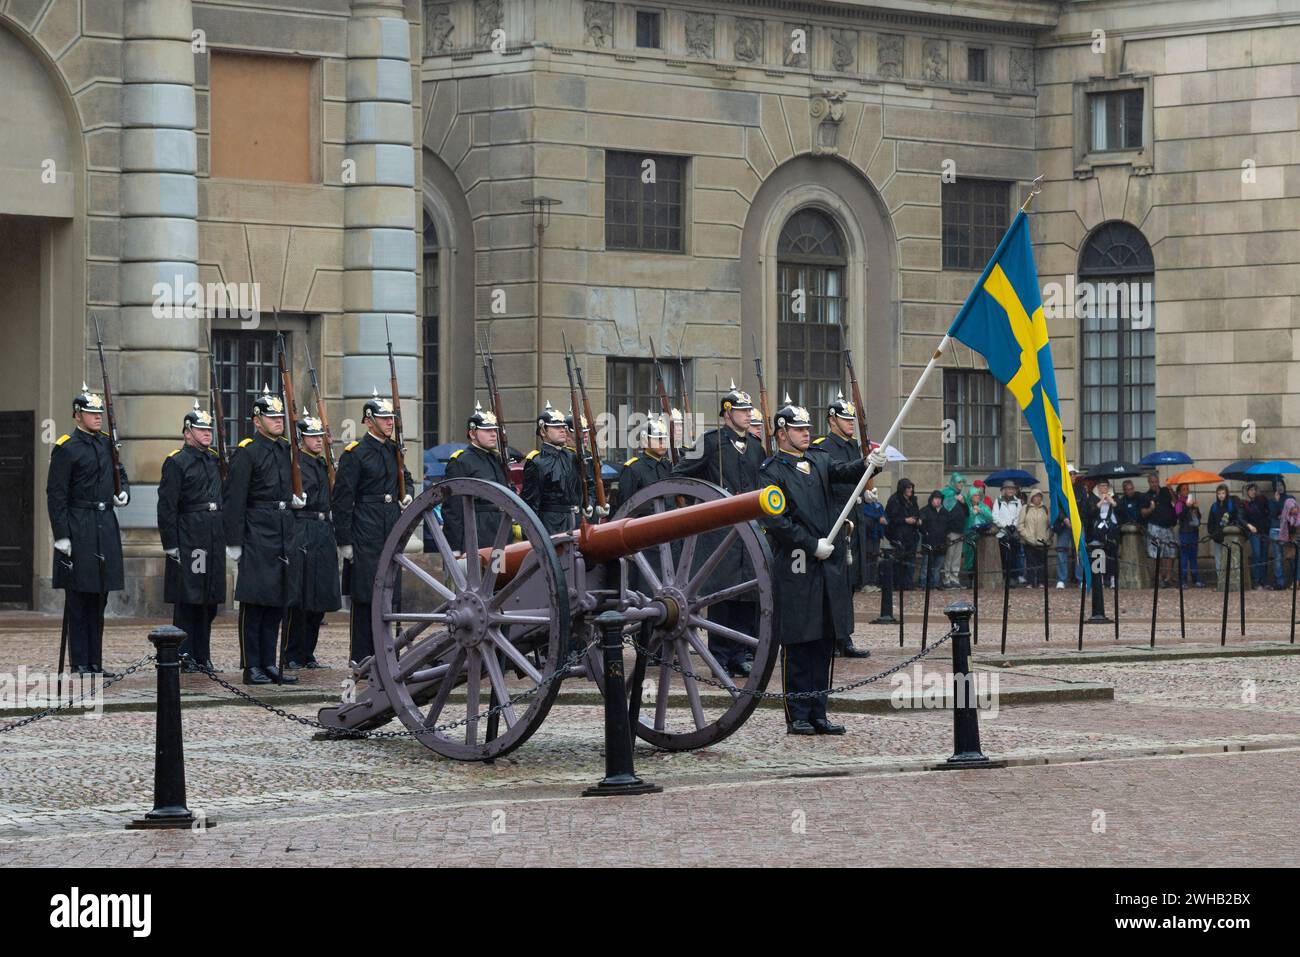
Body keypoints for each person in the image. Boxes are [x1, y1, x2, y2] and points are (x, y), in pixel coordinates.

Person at [758, 398, 885, 735]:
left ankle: (819, 711)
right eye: (798, 429)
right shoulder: (772, 471)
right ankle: (797, 713)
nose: (805, 434)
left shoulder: (819, 459)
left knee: (824, 641)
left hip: (827, 568)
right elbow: (777, 521)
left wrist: (868, 463)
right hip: (797, 566)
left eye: (807, 429)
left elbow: (845, 472)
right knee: (800, 641)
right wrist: (811, 543)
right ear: (782, 433)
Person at [673, 381, 764, 677]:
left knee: (747, 592)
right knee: (723, 594)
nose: (748, 414)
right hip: (721, 530)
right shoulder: (710, 442)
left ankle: (740, 653)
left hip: (748, 529)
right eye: (741, 410)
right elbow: (679, 475)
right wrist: (702, 502)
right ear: (727, 413)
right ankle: (721, 655)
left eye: (749, 410)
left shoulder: (755, 447)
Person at [47, 383, 130, 676]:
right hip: (79, 525)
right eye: (91, 413)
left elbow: (121, 474)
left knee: (99, 597)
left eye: (99, 413)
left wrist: (124, 494)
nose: (97, 417)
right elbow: (56, 496)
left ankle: (95, 661)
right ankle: (79, 661)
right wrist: (62, 536)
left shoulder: (107, 444)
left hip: (105, 525)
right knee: (79, 599)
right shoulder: (66, 447)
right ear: (77, 415)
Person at [223, 387, 303, 685]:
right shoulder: (247, 452)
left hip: (282, 527)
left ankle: (270, 662)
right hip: (257, 529)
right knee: (254, 602)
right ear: (258, 422)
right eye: (272, 417)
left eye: (280, 416)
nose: (278, 420)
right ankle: (251, 664)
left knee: (276, 601)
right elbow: (234, 499)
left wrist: (295, 497)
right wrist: (234, 540)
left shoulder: (285, 449)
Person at [332, 388, 413, 666]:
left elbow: (408, 479)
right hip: (365, 527)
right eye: (384, 418)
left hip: (390, 525)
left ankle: (388, 655)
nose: (390, 422)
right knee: (366, 595)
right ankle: (362, 656)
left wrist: (408, 494)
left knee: (391, 594)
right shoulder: (355, 454)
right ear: (369, 421)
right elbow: (342, 500)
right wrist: (344, 540)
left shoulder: (394, 451)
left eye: (391, 418)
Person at [157, 401, 225, 673]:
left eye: (209, 430)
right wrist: (170, 543)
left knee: (209, 600)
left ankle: (202, 654)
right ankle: (184, 653)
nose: (207, 434)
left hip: (212, 535)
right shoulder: (177, 462)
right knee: (190, 598)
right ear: (187, 433)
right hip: (191, 536)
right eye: (201, 430)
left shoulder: (214, 460)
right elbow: (166, 505)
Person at [808, 393, 873, 657]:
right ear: (832, 420)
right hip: (835, 515)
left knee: (850, 581)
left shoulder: (853, 445)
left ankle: (844, 635)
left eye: (852, 420)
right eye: (846, 419)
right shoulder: (823, 445)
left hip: (854, 517)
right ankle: (835, 637)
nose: (850, 424)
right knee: (834, 582)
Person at [284, 409, 341, 670]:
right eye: (312, 436)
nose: (318, 440)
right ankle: (292, 652)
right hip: (303, 527)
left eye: (320, 436)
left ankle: (308, 652)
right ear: (301, 438)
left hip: (323, 528)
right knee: (301, 597)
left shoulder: (323, 463)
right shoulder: (295, 463)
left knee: (319, 598)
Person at [443, 402, 512, 553]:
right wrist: (454, 546)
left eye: (494, 430)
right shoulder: (461, 461)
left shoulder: (496, 459)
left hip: (499, 531)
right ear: (472, 433)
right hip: (477, 533)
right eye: (487, 430)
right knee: (479, 574)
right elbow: (453, 508)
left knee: (499, 573)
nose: (493, 434)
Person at [523, 402, 587, 535]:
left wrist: (589, 504)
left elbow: (587, 484)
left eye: (563, 426)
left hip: (576, 520)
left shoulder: (572, 457)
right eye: (556, 427)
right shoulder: (537, 462)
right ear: (543, 431)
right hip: (551, 525)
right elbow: (531, 503)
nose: (563, 430)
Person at [1140, 470, 1178, 586]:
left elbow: (1176, 503)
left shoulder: (1165, 491)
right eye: (1152, 482)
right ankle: (1159, 578)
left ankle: (1168, 577)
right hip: (1155, 526)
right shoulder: (1146, 496)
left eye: (1156, 482)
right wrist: (1151, 509)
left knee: (1171, 552)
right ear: (1148, 483)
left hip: (1168, 526)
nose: (1154, 484)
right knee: (1157, 554)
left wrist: (1171, 490)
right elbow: (1143, 513)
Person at [885, 478, 919, 590]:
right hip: (899, 535)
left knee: (910, 562)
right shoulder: (894, 500)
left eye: (911, 487)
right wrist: (905, 520)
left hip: (911, 535)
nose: (911, 490)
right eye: (908, 488)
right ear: (903, 488)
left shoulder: (913, 500)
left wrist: (917, 520)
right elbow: (891, 518)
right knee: (899, 562)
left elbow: (916, 513)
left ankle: (908, 584)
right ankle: (898, 585)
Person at [1206, 484, 1243, 587]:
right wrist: (1212, 533)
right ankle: (1220, 581)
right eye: (1219, 493)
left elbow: (1236, 519)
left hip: (1228, 537)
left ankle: (1230, 580)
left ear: (1226, 494)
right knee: (1218, 559)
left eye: (1223, 493)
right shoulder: (1214, 506)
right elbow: (1210, 522)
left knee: (1229, 559)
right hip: (1217, 537)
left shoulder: (1230, 505)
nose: (1221, 495)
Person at [1086, 480, 1120, 587]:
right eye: (1101, 486)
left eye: (1106, 486)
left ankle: (1112, 578)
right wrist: (1100, 502)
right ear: (1098, 487)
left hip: (1111, 531)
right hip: (1097, 532)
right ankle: (1098, 579)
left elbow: (1120, 511)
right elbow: (1089, 513)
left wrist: (1112, 502)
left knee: (1111, 555)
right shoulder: (1092, 498)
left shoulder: (1115, 497)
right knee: (1098, 554)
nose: (1104, 488)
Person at [991, 481, 1025, 587]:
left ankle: (1013, 577)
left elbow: (1019, 515)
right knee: (1003, 556)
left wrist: (1013, 525)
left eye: (1012, 489)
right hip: (1002, 533)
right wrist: (1005, 525)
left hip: (1013, 532)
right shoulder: (998, 501)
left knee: (1014, 556)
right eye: (1008, 488)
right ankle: (1005, 577)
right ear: (1004, 490)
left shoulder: (1017, 501)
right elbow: (995, 516)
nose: (1010, 490)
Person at [1016, 488, 1051, 587]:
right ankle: (1030, 582)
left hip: (1042, 541)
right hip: (1029, 541)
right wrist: (1027, 536)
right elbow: (1020, 525)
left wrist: (1046, 537)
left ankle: (1041, 582)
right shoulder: (1025, 508)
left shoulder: (1045, 509)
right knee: (1030, 562)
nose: (1037, 499)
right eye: (1035, 496)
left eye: (1039, 496)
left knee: (1042, 563)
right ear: (1031, 497)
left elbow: (1049, 526)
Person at [1173, 483, 1204, 587]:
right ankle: (1183, 580)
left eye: (1187, 489)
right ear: (1179, 492)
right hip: (1185, 533)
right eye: (1184, 489)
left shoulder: (1191, 501)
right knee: (1184, 557)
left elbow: (1199, 517)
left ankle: (1196, 579)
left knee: (1193, 557)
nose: (1186, 491)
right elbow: (1179, 516)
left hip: (1193, 532)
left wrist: (1196, 508)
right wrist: (1187, 507)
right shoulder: (1179, 503)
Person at [917, 490, 948, 588]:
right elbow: (920, 525)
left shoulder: (944, 511)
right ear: (931, 499)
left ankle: (935, 583)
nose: (938, 501)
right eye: (936, 499)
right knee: (926, 565)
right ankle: (923, 583)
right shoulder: (925, 510)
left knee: (937, 567)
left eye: (939, 499)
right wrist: (926, 533)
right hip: (929, 542)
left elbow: (948, 524)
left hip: (941, 542)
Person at [1242, 483, 1270, 589]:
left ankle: (1264, 581)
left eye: (1254, 489)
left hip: (1264, 531)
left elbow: (1268, 512)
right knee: (1257, 555)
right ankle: (1257, 581)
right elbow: (1241, 518)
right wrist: (1248, 525)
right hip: (1254, 533)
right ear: (1247, 492)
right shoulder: (1244, 503)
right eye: (1250, 490)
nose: (1253, 492)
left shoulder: (1261, 500)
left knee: (1264, 556)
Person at [940, 473, 966, 588]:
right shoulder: (947, 494)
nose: (961, 484)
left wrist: (963, 503)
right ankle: (947, 579)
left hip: (960, 530)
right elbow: (945, 512)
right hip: (951, 530)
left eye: (962, 482)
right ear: (954, 483)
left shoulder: (960, 496)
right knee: (949, 556)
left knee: (956, 557)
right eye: (959, 482)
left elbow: (966, 512)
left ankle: (955, 578)